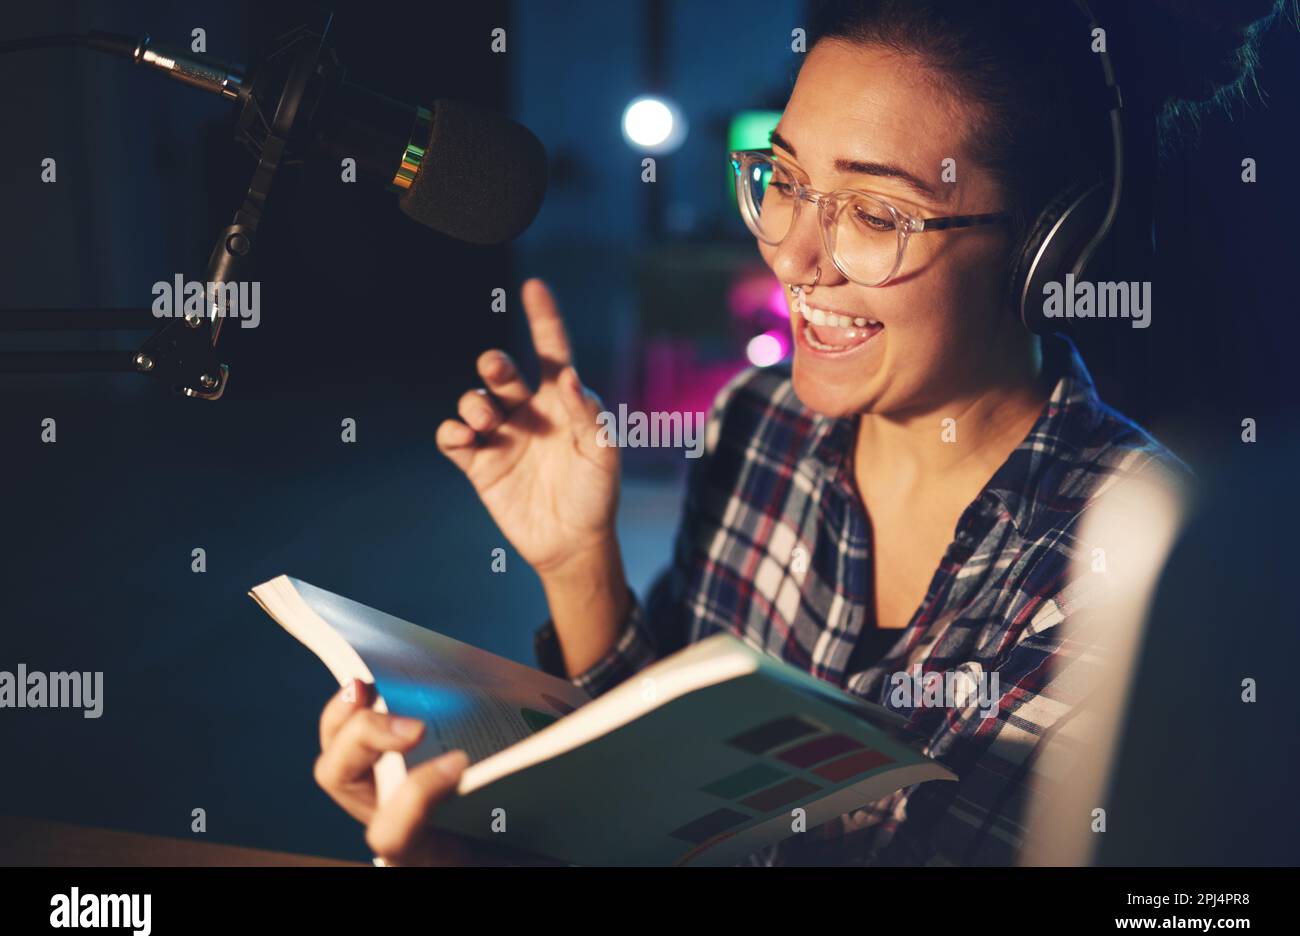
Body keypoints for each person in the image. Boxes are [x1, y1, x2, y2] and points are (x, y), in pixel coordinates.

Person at [313, 0, 1285, 865]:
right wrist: (579, 566)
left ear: (1044, 253)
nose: (792, 256)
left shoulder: (1140, 571)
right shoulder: (758, 420)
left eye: (875, 211)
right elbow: (662, 788)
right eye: (783, 178)